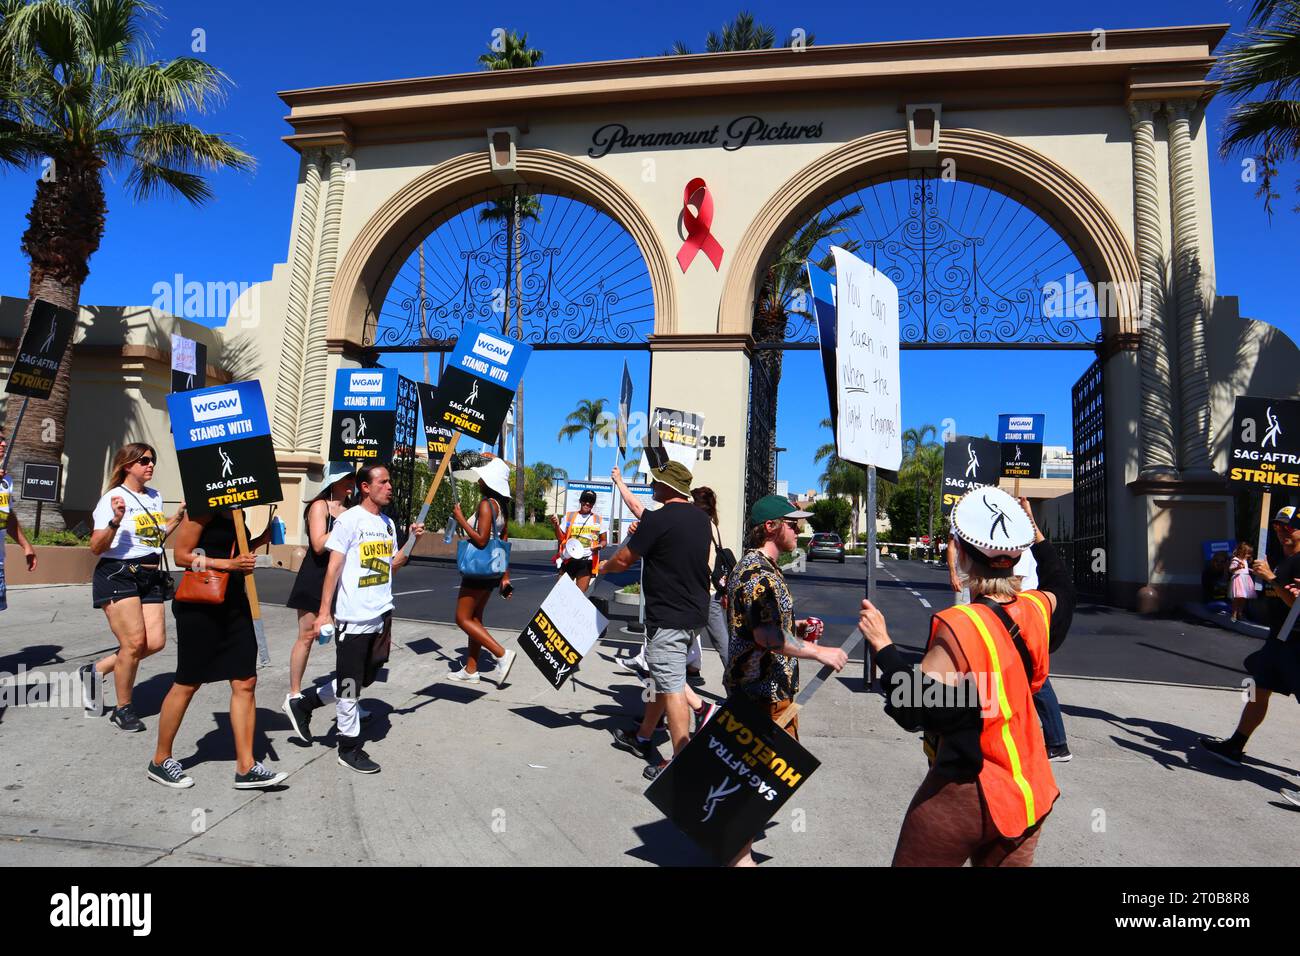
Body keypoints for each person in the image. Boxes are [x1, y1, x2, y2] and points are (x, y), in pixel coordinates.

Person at [857, 486, 1076, 866]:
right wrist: (1036, 533)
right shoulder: (1038, 610)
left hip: (968, 790)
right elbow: (1061, 585)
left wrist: (883, 646)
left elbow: (915, 706)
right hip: (1029, 791)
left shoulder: (959, 624)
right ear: (1018, 554)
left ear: (959, 554)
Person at [725, 494, 849, 867]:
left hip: (759, 688)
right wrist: (821, 652)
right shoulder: (761, 576)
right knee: (761, 779)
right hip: (763, 692)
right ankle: (738, 855)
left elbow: (754, 627)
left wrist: (795, 627)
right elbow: (766, 638)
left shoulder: (751, 567)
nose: (800, 528)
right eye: (792, 523)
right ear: (770, 527)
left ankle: (735, 848)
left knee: (764, 777)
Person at [288, 464, 425, 774]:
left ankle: (306, 703)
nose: (390, 487)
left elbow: (392, 565)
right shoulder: (349, 521)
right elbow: (333, 568)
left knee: (365, 677)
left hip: (381, 613)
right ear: (365, 487)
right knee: (350, 683)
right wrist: (325, 612)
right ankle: (349, 746)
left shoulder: (388, 524)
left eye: (390, 481)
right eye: (384, 482)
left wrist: (412, 541)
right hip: (353, 617)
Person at [147, 508, 286, 789]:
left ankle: (246, 767)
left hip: (234, 604)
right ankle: (160, 760)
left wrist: (259, 540)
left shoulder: (237, 510)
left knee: (246, 680)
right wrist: (228, 565)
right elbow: (182, 556)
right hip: (200, 606)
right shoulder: (202, 510)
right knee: (188, 681)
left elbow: (235, 552)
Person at [604, 461, 719, 779]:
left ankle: (681, 762)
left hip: (667, 618)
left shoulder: (659, 519)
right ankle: (642, 738)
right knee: (661, 677)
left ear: (670, 487)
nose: (653, 486)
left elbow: (625, 559)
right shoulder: (701, 519)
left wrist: (602, 567)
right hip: (694, 616)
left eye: (657, 482)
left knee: (671, 689)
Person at [82, 443, 185, 731]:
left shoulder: (154, 496)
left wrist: (175, 518)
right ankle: (123, 708)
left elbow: (154, 536)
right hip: (118, 573)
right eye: (144, 461)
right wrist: (115, 521)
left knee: (154, 643)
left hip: (150, 574)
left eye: (152, 460)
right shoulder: (112, 498)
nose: (150, 465)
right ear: (128, 465)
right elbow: (96, 546)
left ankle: (97, 670)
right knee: (133, 643)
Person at [1200, 506, 1300, 768]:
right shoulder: (1281, 557)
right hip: (1278, 640)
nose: (1281, 532)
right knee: (1259, 690)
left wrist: (1271, 578)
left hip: (1297, 642)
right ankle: (1236, 745)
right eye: (1278, 527)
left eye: (1288, 528)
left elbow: (1296, 603)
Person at [284, 462, 355, 715]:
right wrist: (346, 525)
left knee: (346, 644)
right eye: (347, 478)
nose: (351, 482)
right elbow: (317, 544)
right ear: (334, 481)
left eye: (354, 478)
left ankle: (348, 702)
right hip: (314, 578)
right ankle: (294, 693)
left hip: (340, 581)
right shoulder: (320, 506)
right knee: (307, 637)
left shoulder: (350, 511)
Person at [445, 457, 516, 685]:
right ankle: (471, 669)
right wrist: (504, 578)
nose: (478, 481)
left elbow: (482, 540)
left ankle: (501, 654)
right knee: (475, 618)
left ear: (489, 482)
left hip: (477, 570)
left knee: (462, 617)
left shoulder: (486, 505)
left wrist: (461, 520)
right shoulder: (501, 508)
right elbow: (503, 544)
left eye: (482, 478)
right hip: (491, 572)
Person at [0, 429, 38, 614]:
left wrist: (26, 546)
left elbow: (6, 515)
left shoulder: (5, 479)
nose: (4, 444)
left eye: (4, 440)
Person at [551, 488, 605, 593]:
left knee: (579, 596)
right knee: (561, 593)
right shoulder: (569, 516)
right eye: (585, 500)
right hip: (568, 559)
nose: (587, 503)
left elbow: (604, 541)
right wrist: (556, 525)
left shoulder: (598, 519)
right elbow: (560, 538)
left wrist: (600, 546)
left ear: (593, 504)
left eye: (591, 501)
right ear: (580, 501)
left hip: (586, 561)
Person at [1229, 543, 1255, 622]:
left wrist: (1251, 570)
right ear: (1241, 551)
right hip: (1238, 579)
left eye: (1250, 554)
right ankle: (1234, 613)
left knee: (1243, 598)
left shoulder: (1245, 560)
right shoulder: (1236, 560)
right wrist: (1237, 567)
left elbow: (1246, 568)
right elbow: (1231, 569)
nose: (1249, 555)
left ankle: (1240, 613)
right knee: (1237, 598)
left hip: (1246, 580)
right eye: (1247, 553)